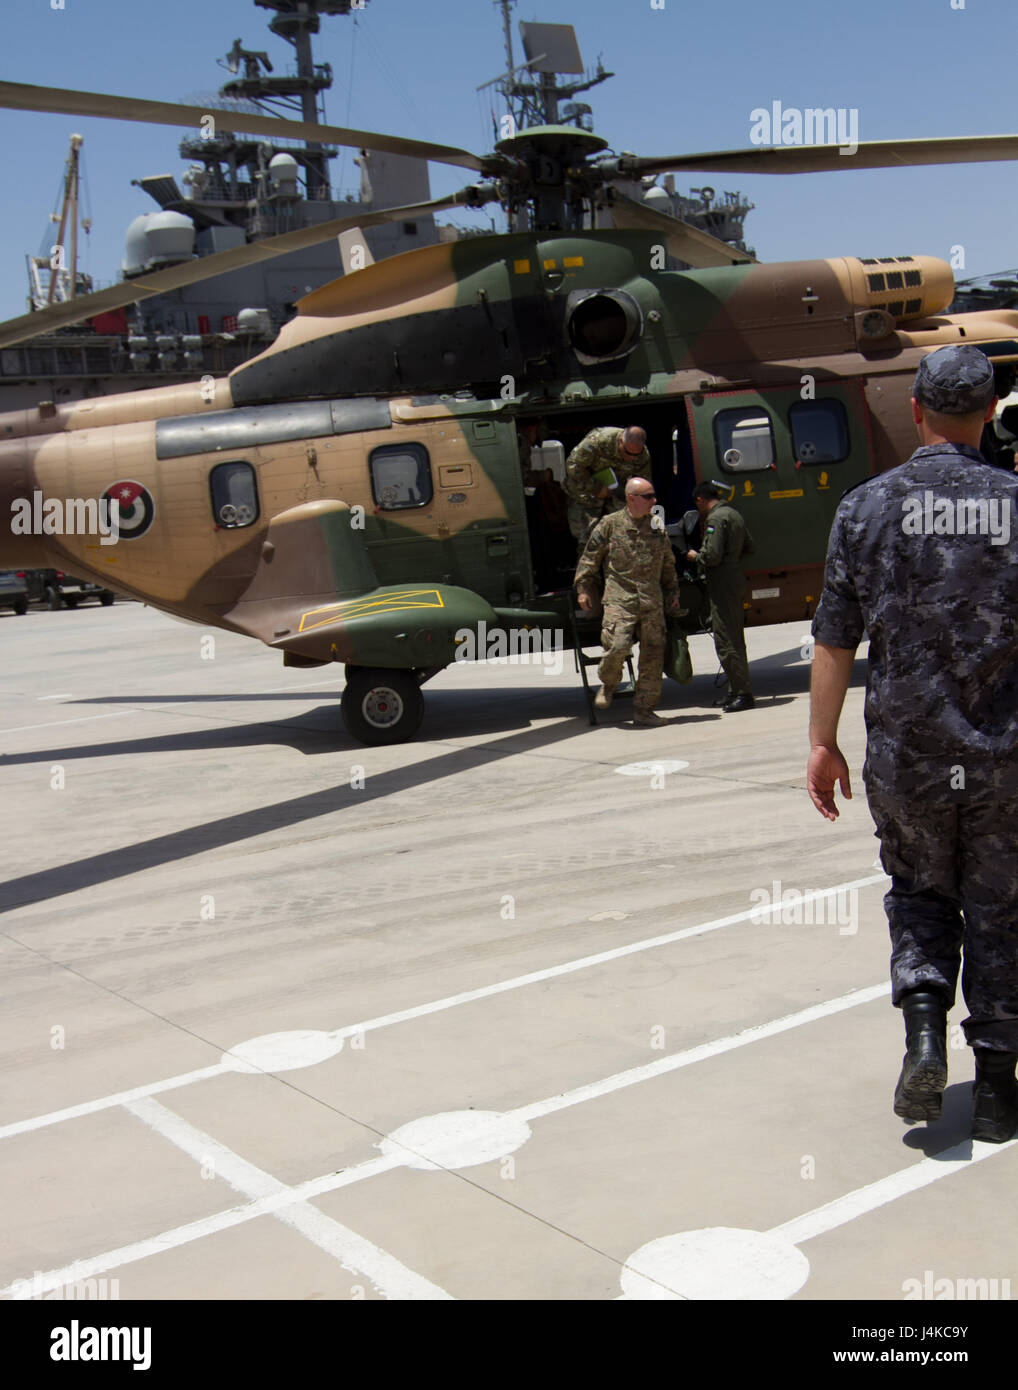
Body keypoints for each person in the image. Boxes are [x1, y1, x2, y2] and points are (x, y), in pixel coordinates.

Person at [807, 343, 1018, 1143]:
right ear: (990, 413)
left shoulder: (863, 509)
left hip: (908, 759)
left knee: (922, 898)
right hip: (1006, 759)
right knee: (1005, 911)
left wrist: (822, 743)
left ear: (917, 412)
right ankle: (998, 1091)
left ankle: (924, 1035)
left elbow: (833, 641)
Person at [574, 476, 683, 727]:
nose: (654, 500)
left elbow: (668, 564)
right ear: (631, 498)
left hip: (651, 600)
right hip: (619, 599)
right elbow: (589, 559)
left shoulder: (657, 527)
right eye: (648, 496)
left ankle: (644, 711)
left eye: (654, 496)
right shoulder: (609, 525)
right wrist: (584, 589)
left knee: (653, 657)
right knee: (617, 647)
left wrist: (673, 593)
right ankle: (609, 683)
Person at [686, 482, 755, 711]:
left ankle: (743, 694)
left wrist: (695, 556)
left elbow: (712, 556)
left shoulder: (715, 519)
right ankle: (735, 690)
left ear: (700, 500)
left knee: (727, 640)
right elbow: (750, 547)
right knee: (733, 636)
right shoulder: (734, 514)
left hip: (722, 583)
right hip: (734, 579)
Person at [564, 425, 651, 552]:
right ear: (621, 441)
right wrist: (597, 487)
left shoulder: (642, 456)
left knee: (625, 537)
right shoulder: (598, 441)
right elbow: (573, 466)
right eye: (628, 453)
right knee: (589, 541)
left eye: (635, 455)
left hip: (614, 495)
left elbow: (643, 485)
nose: (631, 458)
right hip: (585, 494)